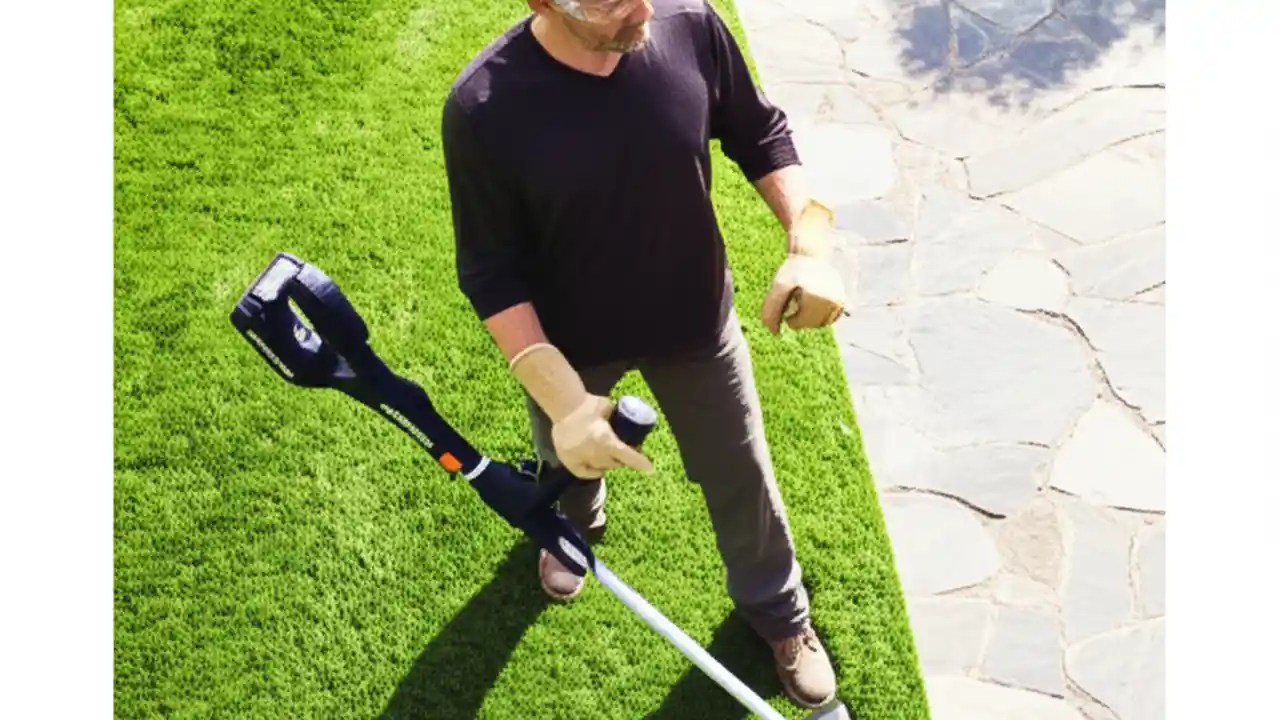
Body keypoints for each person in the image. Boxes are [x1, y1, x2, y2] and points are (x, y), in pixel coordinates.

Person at [440, 0, 849, 709]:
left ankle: (780, 615)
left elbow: (759, 132)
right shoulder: (484, 108)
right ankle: (572, 528)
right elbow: (489, 271)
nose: (641, 7)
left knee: (741, 473)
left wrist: (808, 244)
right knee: (566, 456)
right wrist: (564, 399)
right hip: (572, 347)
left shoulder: (689, 23)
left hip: (695, 320)